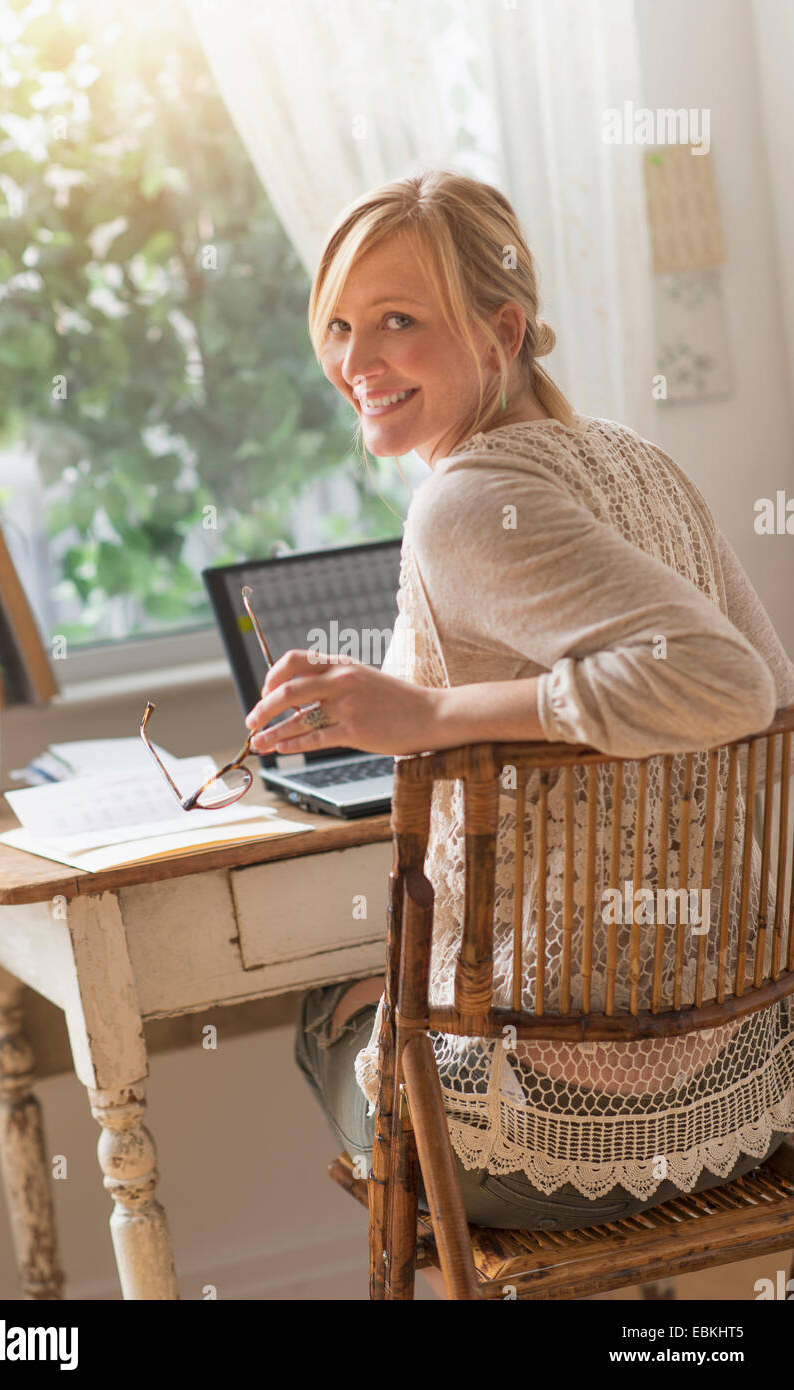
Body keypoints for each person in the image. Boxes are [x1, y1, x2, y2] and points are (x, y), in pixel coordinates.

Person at [243, 170, 794, 1233]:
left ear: (503, 330)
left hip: (558, 1140)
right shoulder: (645, 465)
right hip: (748, 1084)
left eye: (399, 322)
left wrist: (433, 718)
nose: (357, 363)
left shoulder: (464, 501)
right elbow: (775, 690)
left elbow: (724, 684)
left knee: (328, 1015)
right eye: (343, 327)